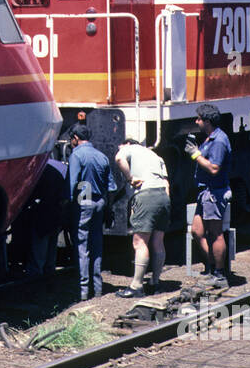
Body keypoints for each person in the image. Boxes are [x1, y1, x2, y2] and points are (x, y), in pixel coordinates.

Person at [113, 137, 170, 298]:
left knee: (140, 242)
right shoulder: (156, 156)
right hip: (163, 198)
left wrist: (130, 178)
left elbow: (119, 158)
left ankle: (136, 286)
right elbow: (167, 184)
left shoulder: (130, 148)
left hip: (146, 195)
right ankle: (155, 282)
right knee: (158, 241)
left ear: (128, 144)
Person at [185, 103, 232, 288]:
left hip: (214, 192)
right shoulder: (210, 138)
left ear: (208, 121)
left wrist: (195, 155)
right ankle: (213, 267)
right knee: (197, 231)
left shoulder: (219, 141)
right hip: (205, 192)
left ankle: (220, 275)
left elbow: (214, 168)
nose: (196, 122)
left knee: (215, 232)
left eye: (199, 119)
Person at [67, 123, 111, 301]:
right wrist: (108, 206)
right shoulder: (102, 156)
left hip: (84, 200)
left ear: (75, 138)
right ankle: (98, 289)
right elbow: (112, 186)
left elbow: (72, 183)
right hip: (100, 201)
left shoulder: (76, 155)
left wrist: (68, 202)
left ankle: (83, 291)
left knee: (83, 247)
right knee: (97, 244)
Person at [24, 156, 68, 276]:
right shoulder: (61, 167)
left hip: (42, 211)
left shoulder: (36, 168)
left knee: (39, 247)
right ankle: (49, 273)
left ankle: (36, 274)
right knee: (52, 245)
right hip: (57, 211)